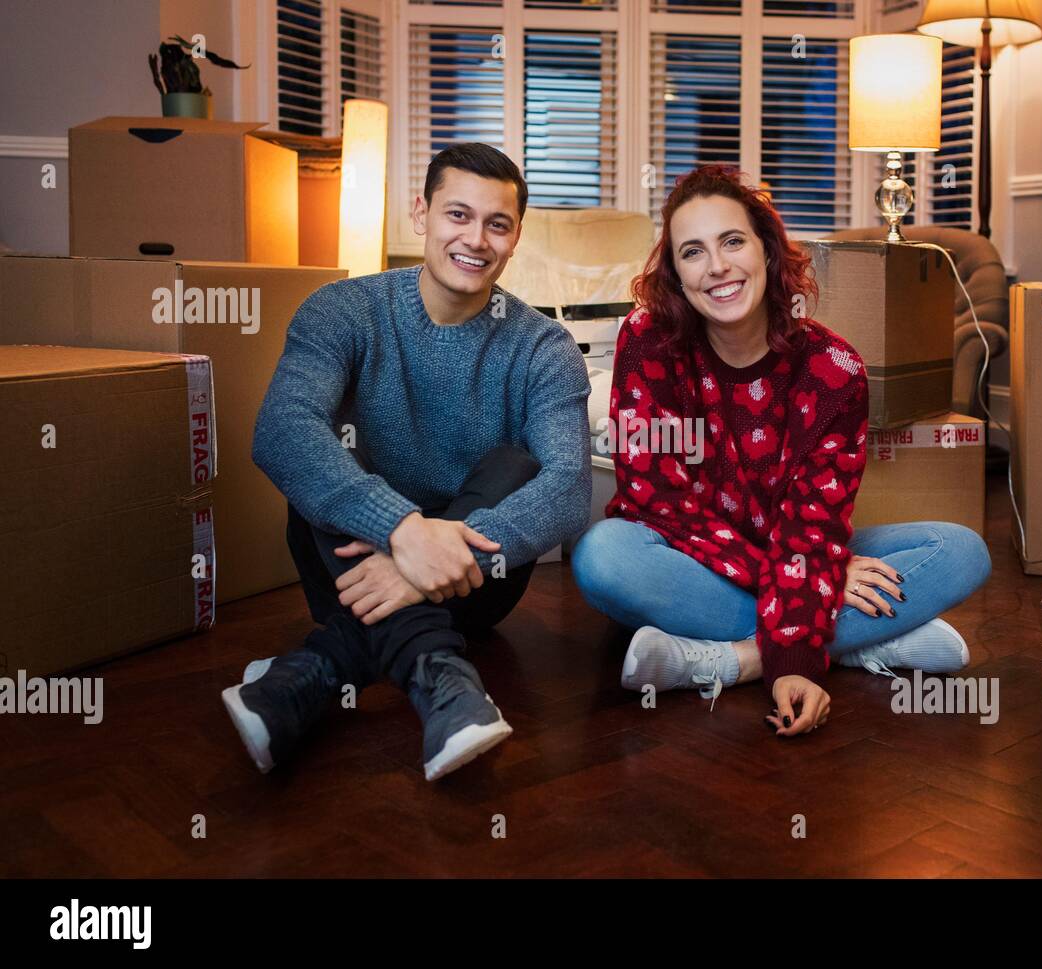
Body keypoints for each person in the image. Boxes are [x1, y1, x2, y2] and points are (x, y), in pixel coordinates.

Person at [572, 164, 991, 736]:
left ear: (766, 252)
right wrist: (812, 580)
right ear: (676, 274)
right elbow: (657, 503)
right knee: (603, 556)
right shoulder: (648, 341)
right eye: (692, 252)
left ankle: (734, 660)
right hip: (695, 549)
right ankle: (846, 644)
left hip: (800, 539)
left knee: (961, 549)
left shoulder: (833, 369)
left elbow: (814, 519)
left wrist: (814, 564)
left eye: (733, 242)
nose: (717, 266)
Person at [223, 143, 592, 779]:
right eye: (457, 214)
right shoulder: (344, 309)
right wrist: (403, 531)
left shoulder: (543, 346)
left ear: (515, 237)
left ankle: (311, 671)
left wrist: (435, 560)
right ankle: (443, 682)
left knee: (515, 463)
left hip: (480, 580)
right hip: (342, 563)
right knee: (327, 437)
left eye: (496, 223)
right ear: (421, 214)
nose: (475, 238)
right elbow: (280, 430)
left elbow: (568, 487)